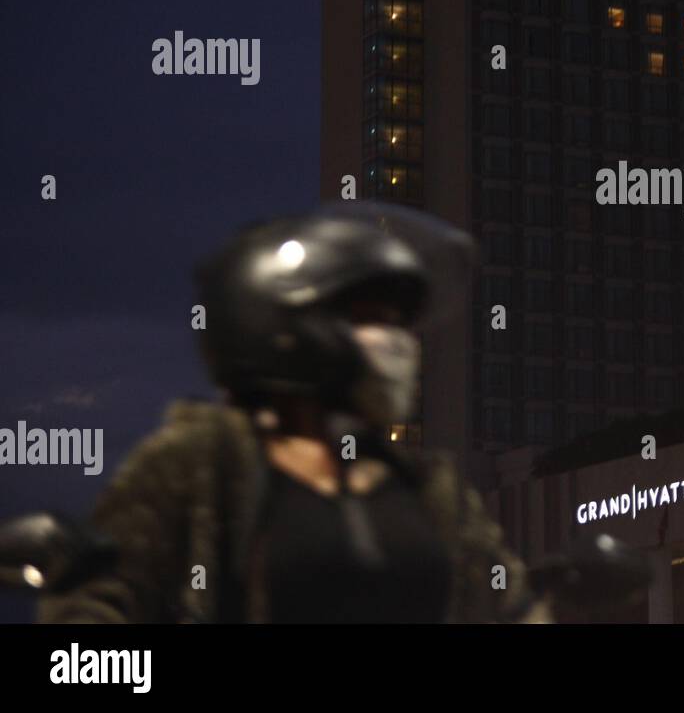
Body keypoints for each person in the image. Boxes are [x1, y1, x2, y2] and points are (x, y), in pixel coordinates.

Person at [39, 204, 547, 624]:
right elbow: (91, 618)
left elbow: (514, 611)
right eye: (369, 320)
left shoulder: (430, 489)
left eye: (398, 325)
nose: (396, 343)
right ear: (285, 326)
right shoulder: (198, 464)